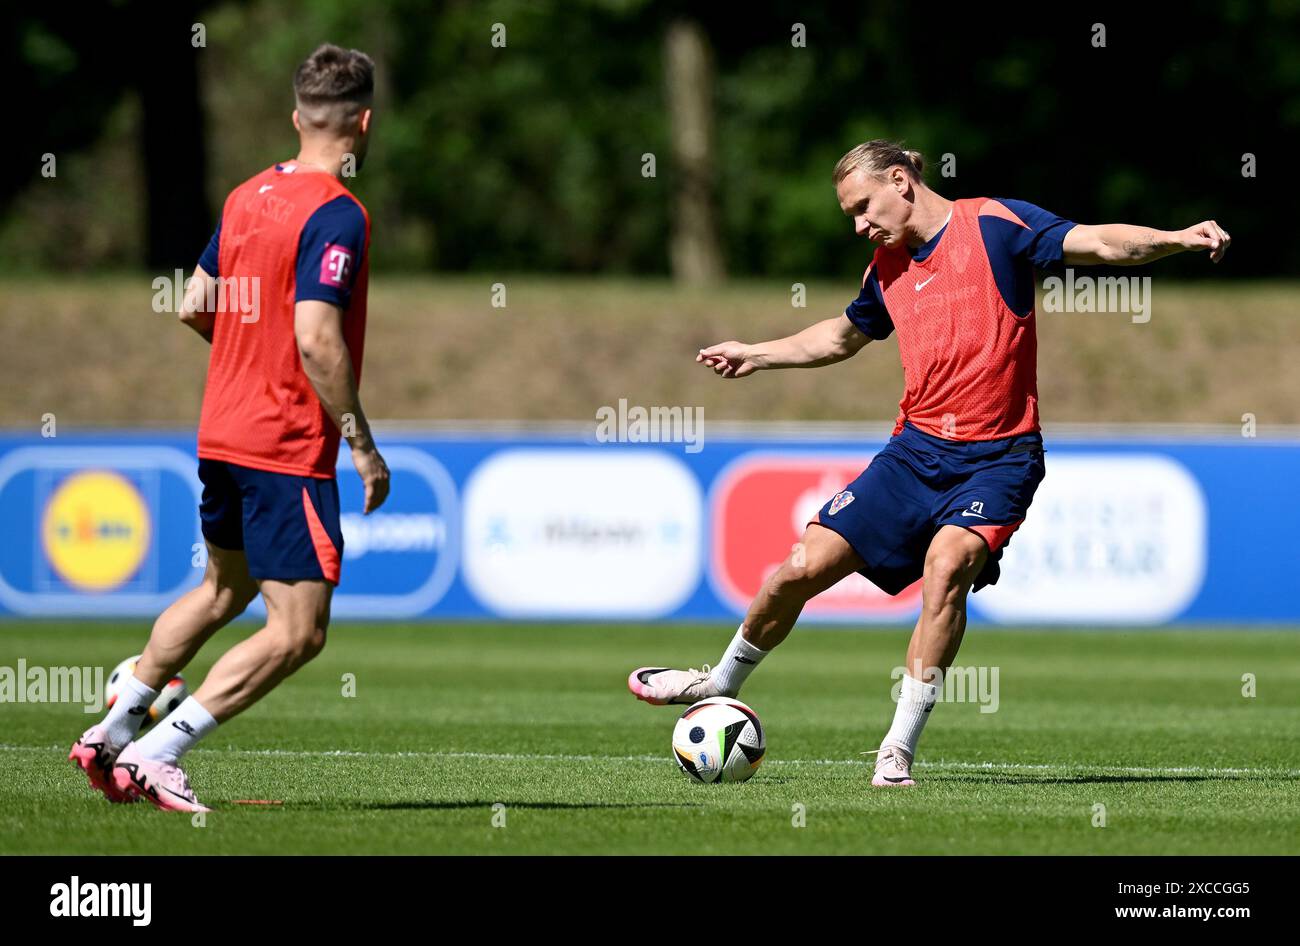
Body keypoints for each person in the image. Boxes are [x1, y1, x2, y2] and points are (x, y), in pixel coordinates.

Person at [630, 139, 1230, 786]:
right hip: (913, 455)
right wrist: (756, 353)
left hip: (999, 458)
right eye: (851, 216)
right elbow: (840, 337)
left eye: (863, 207)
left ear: (900, 181)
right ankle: (719, 682)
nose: (860, 225)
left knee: (946, 569)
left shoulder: (995, 225)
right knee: (798, 570)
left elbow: (1101, 243)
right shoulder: (885, 267)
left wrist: (1176, 238)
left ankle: (896, 750)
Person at [69, 43, 390, 811]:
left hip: (221, 431)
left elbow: (193, 304)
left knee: (222, 589)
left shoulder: (249, 195)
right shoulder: (338, 213)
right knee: (300, 631)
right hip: (283, 443)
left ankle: (110, 732)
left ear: (296, 117)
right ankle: (156, 752)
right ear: (364, 123)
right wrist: (361, 444)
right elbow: (317, 338)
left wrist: (251, 352)